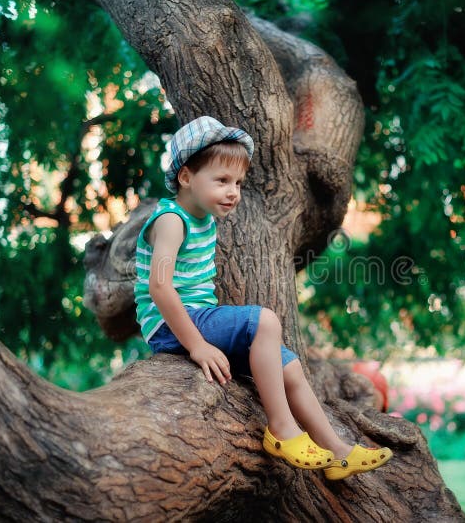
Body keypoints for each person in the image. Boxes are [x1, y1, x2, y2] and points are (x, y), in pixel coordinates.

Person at [134, 115, 392, 480]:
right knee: (265, 320)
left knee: (290, 365)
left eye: (238, 182)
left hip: (197, 316)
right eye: (222, 180)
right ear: (186, 176)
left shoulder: (203, 220)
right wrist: (198, 347)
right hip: (171, 325)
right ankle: (282, 429)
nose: (233, 191)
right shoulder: (171, 219)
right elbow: (160, 289)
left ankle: (338, 453)